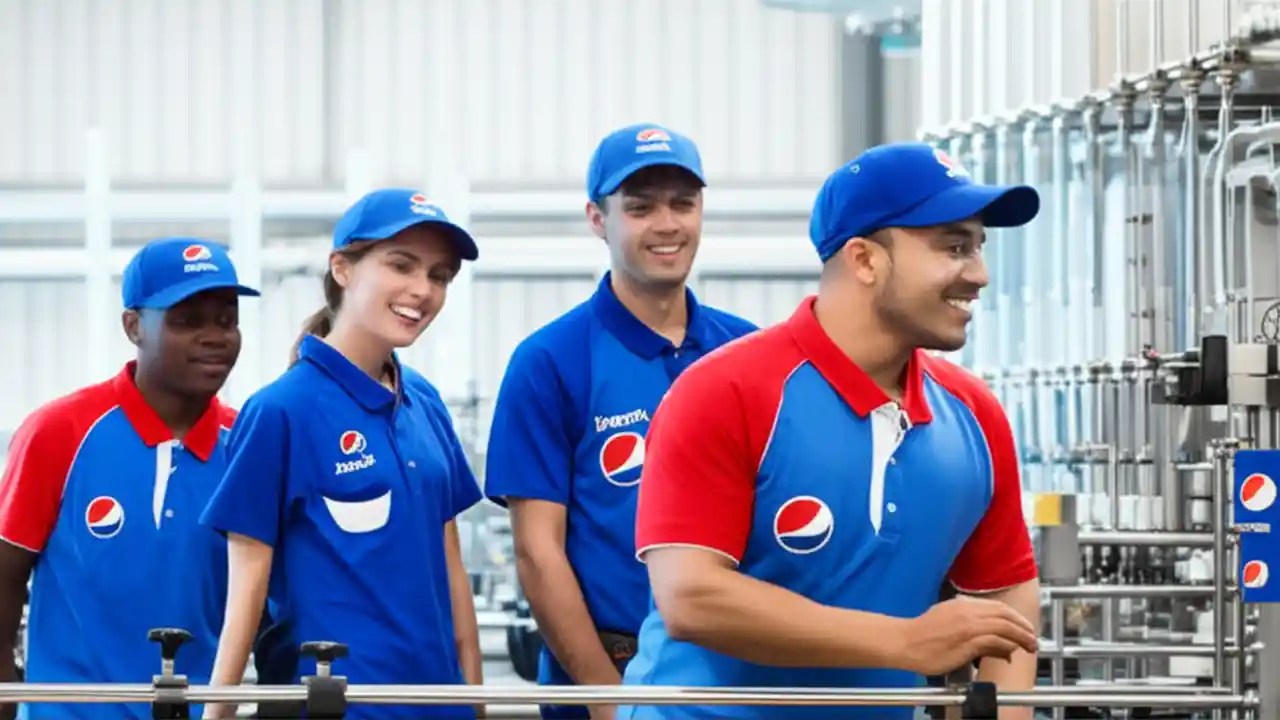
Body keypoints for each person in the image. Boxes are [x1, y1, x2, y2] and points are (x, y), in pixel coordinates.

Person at [617, 142, 1045, 720]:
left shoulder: (973, 412)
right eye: (954, 247)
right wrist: (906, 642)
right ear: (865, 260)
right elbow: (693, 597)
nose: (980, 275)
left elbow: (1006, 593)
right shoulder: (727, 390)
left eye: (978, 246)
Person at [483, 122, 758, 720]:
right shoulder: (551, 362)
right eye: (640, 207)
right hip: (607, 670)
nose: (667, 224)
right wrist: (608, 700)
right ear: (596, 218)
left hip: (733, 671)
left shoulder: (749, 355)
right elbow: (538, 553)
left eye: (683, 204)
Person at [199, 189, 486, 720]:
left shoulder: (423, 402)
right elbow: (245, 596)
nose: (422, 291)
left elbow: (451, 573)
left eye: (439, 275)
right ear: (343, 268)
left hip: (437, 707)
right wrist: (218, 713)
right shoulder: (281, 412)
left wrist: (473, 698)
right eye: (401, 265)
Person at [0, 237, 260, 720]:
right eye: (187, 320)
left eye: (227, 319)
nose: (214, 336)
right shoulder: (60, 433)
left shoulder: (248, 444)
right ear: (134, 326)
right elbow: (4, 578)